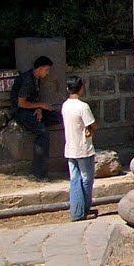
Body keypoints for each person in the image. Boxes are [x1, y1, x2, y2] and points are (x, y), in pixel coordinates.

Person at [11, 55, 58, 181]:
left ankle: (39, 123)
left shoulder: (37, 79)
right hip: (21, 112)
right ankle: (38, 173)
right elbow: (21, 103)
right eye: (46, 70)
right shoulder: (27, 80)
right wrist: (40, 105)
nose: (47, 73)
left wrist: (39, 108)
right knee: (43, 133)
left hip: (31, 109)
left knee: (57, 116)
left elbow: (33, 99)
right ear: (40, 68)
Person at [61, 76, 97, 221]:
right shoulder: (83, 107)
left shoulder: (65, 105)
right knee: (86, 180)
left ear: (68, 89)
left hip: (70, 147)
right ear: (81, 88)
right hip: (83, 148)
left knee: (75, 179)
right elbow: (92, 124)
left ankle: (76, 211)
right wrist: (91, 129)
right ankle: (84, 210)